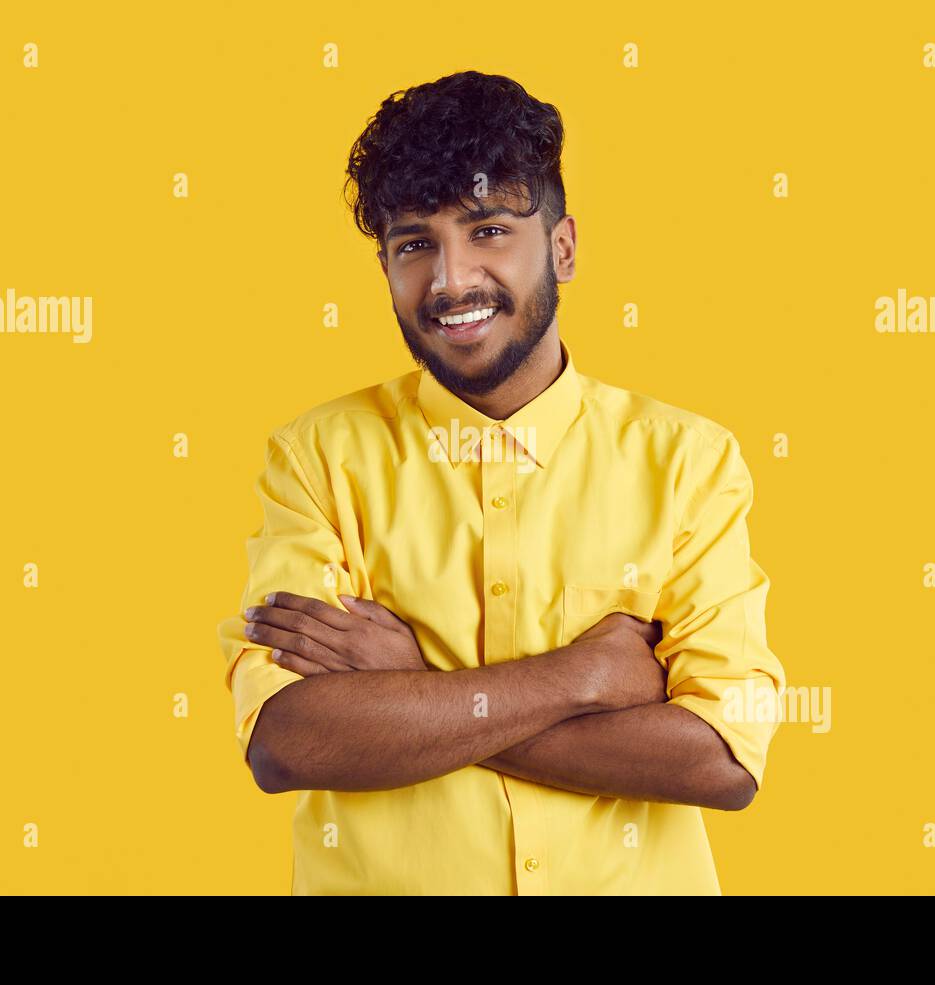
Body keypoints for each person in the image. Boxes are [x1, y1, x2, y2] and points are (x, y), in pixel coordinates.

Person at [217, 70, 786, 895]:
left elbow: (724, 758)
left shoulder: (688, 462)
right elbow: (289, 741)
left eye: (487, 230)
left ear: (562, 248)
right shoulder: (316, 457)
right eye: (415, 244)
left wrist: (411, 689)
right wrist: (582, 679)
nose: (451, 282)